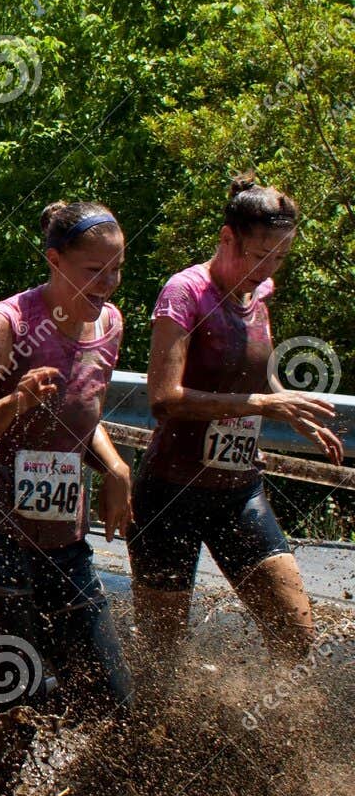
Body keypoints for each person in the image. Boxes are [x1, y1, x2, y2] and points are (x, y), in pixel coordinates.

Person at [0, 201, 133, 796]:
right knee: (18, 690)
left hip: (62, 540)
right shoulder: (8, 324)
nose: (106, 283)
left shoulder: (109, 323)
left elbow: (84, 411)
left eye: (117, 269)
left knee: (110, 692)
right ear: (53, 261)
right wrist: (16, 401)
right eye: (91, 270)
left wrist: (112, 464)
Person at [129, 174, 341, 667]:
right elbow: (164, 398)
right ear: (227, 238)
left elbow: (248, 376)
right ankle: (149, 737)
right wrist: (263, 406)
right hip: (171, 493)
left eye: (280, 259)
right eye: (259, 256)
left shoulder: (258, 295)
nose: (268, 269)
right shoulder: (184, 293)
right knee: (162, 652)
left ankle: (267, 728)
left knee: (295, 631)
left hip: (239, 490)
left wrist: (288, 406)